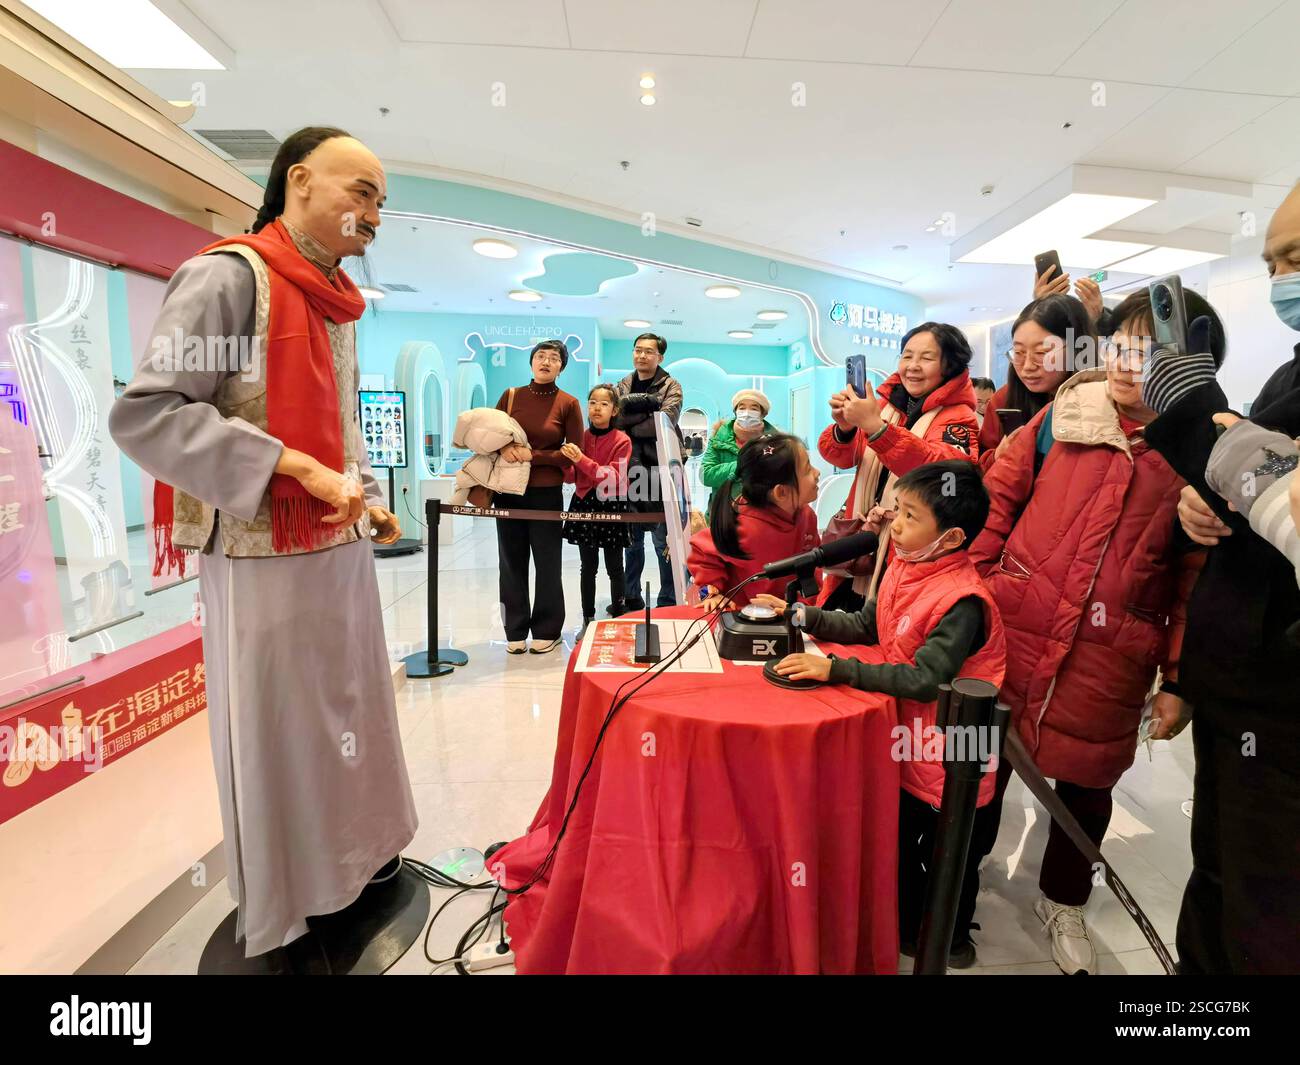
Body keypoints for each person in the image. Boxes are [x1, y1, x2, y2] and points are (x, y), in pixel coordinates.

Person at [109, 127, 416, 960]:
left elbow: (338, 432)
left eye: (382, 201)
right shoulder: (229, 276)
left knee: (349, 712)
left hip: (340, 545)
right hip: (260, 551)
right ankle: (294, 898)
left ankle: (353, 869)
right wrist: (292, 470)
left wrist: (365, 500)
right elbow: (148, 412)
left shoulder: (334, 296)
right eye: (362, 192)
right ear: (301, 180)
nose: (374, 213)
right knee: (283, 729)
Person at [966, 288, 1211, 975]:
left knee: (1088, 783)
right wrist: (973, 596)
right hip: (1015, 623)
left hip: (1114, 651)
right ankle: (958, 878)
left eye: (1156, 350)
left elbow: (1195, 580)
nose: (1135, 364)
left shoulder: (1198, 447)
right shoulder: (1061, 415)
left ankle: (1063, 898)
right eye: (1125, 346)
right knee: (981, 761)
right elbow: (996, 503)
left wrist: (1177, 680)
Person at [1138, 182, 1300, 974]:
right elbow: (1256, 498)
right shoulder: (1289, 379)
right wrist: (1206, 500)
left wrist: (1199, 419)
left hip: (1286, 714)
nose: (1281, 282)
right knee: (1221, 884)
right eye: (1272, 263)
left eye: (1295, 258)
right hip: (1241, 693)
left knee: (1265, 918)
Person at [762, 460, 1006, 968]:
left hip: (951, 755)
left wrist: (834, 669)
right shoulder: (906, 565)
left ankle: (948, 939)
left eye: (910, 517)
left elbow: (922, 678)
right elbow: (871, 625)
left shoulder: (963, 600)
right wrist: (804, 615)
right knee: (904, 848)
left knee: (947, 858)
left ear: (952, 536)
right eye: (898, 511)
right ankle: (908, 924)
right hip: (910, 741)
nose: (894, 524)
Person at [819, 322, 981, 612]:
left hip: (906, 543)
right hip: (862, 536)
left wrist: (877, 429)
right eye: (907, 356)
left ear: (950, 366)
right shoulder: (884, 406)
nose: (913, 366)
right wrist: (845, 428)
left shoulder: (960, 417)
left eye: (927, 358)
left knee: (884, 622)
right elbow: (841, 457)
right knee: (840, 617)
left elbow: (947, 477)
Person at [495, 340, 584, 654]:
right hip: (507, 490)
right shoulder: (511, 396)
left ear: (562, 367)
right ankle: (515, 631)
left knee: (548, 563)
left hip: (546, 492)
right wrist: (505, 450)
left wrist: (531, 455)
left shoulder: (569, 403)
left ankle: (548, 629)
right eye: (541, 356)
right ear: (531, 362)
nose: (546, 361)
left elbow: (573, 453)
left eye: (555, 358)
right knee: (510, 561)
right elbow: (490, 435)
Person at [688, 432, 820, 610]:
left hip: (789, 615)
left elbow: (812, 567)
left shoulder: (807, 516)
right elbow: (703, 552)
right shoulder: (744, 527)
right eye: (807, 469)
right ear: (781, 492)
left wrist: (805, 607)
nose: (817, 473)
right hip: (744, 620)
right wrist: (713, 591)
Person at [613, 332, 683, 613]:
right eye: (637, 350)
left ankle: (668, 598)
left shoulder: (671, 385)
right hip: (628, 468)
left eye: (648, 351)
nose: (641, 355)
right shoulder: (623, 383)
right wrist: (644, 411)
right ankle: (632, 596)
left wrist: (630, 421)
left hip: (662, 468)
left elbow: (664, 422)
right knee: (631, 540)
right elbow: (614, 419)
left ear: (660, 357)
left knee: (663, 539)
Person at [977, 294, 1086, 471]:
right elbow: (978, 465)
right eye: (1019, 353)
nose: (1027, 366)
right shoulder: (1003, 399)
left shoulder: (1099, 399)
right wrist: (998, 455)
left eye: (1042, 353)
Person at [561, 384, 633, 631]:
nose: (597, 408)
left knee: (615, 566)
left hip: (611, 503)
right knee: (587, 566)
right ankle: (587, 619)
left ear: (614, 410)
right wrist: (563, 461)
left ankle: (619, 618)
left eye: (604, 403)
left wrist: (580, 460)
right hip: (583, 502)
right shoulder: (579, 437)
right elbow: (572, 478)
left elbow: (614, 477)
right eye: (592, 402)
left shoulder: (622, 440)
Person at [699, 389, 776, 501]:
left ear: (762, 414)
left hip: (761, 512)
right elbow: (705, 475)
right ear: (735, 411)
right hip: (723, 512)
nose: (746, 413)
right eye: (742, 407)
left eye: (754, 408)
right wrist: (741, 465)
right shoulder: (719, 437)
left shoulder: (776, 442)